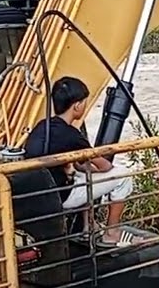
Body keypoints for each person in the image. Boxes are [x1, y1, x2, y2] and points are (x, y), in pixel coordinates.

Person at [23, 76, 140, 247]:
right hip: (60, 197)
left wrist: (82, 169)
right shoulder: (71, 135)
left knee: (80, 175)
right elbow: (105, 166)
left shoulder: (42, 126)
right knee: (123, 176)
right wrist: (92, 170)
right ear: (77, 105)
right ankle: (112, 233)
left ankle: (88, 226)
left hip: (37, 194)